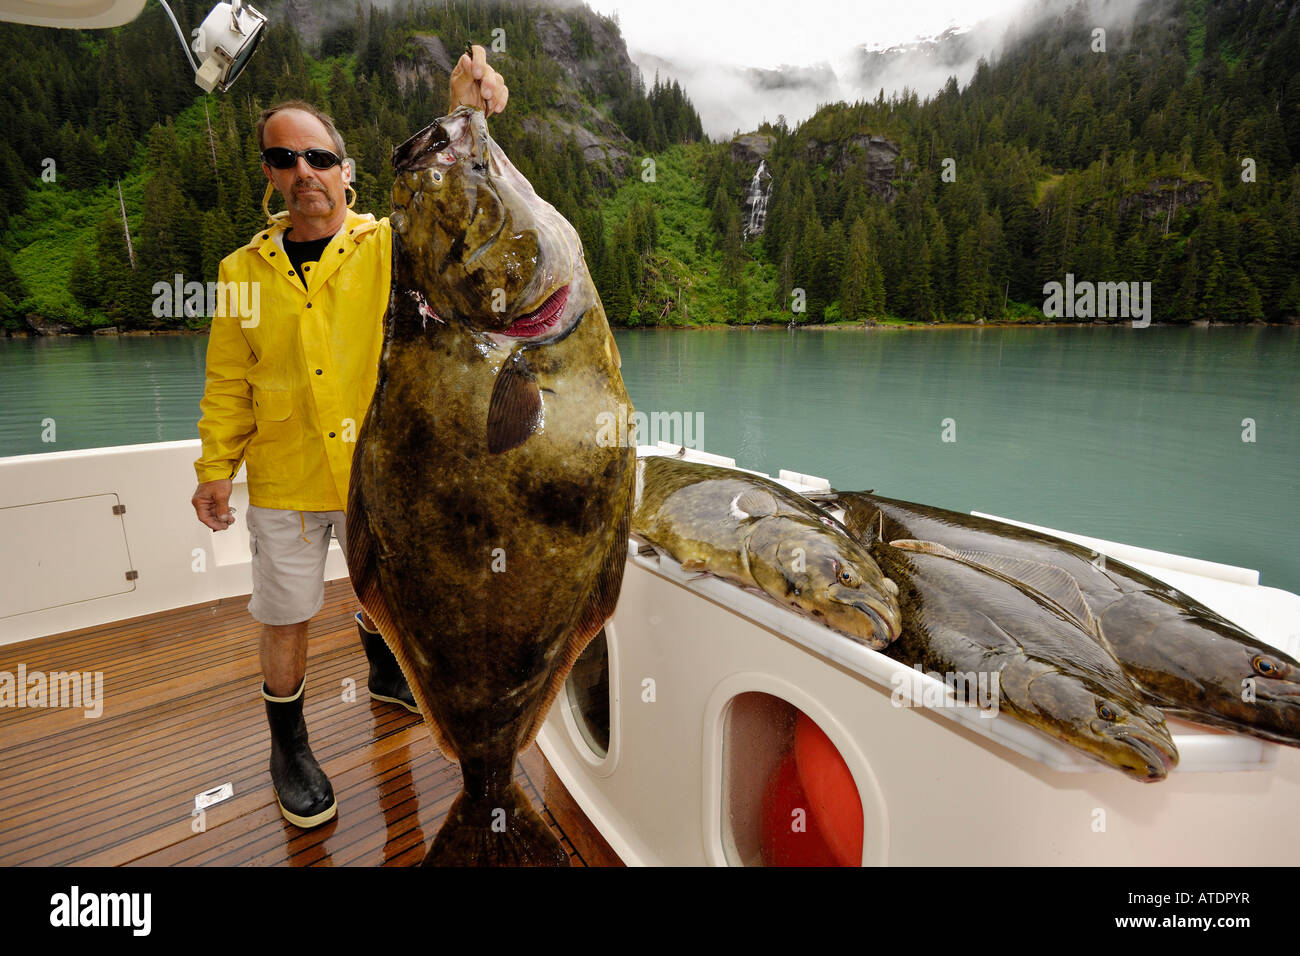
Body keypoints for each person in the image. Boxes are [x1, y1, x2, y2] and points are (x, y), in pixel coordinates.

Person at [190, 46, 509, 829]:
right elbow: (229, 381)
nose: (305, 170)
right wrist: (214, 468)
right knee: (286, 613)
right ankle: (289, 744)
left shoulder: (389, 247)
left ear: (343, 166)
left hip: (384, 472)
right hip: (287, 479)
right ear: (270, 172)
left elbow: (463, 214)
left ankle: (382, 673)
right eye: (285, 157)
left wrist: (467, 113)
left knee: (386, 592)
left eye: (319, 156)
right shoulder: (241, 272)